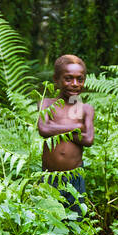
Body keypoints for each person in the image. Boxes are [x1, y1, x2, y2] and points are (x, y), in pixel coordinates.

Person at [37, 54, 95, 218]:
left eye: (80, 79)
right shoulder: (47, 103)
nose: (75, 84)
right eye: (68, 79)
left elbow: (88, 140)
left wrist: (56, 127)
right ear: (56, 79)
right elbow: (43, 129)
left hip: (75, 176)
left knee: (75, 218)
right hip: (49, 175)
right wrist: (76, 127)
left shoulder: (85, 109)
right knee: (48, 218)